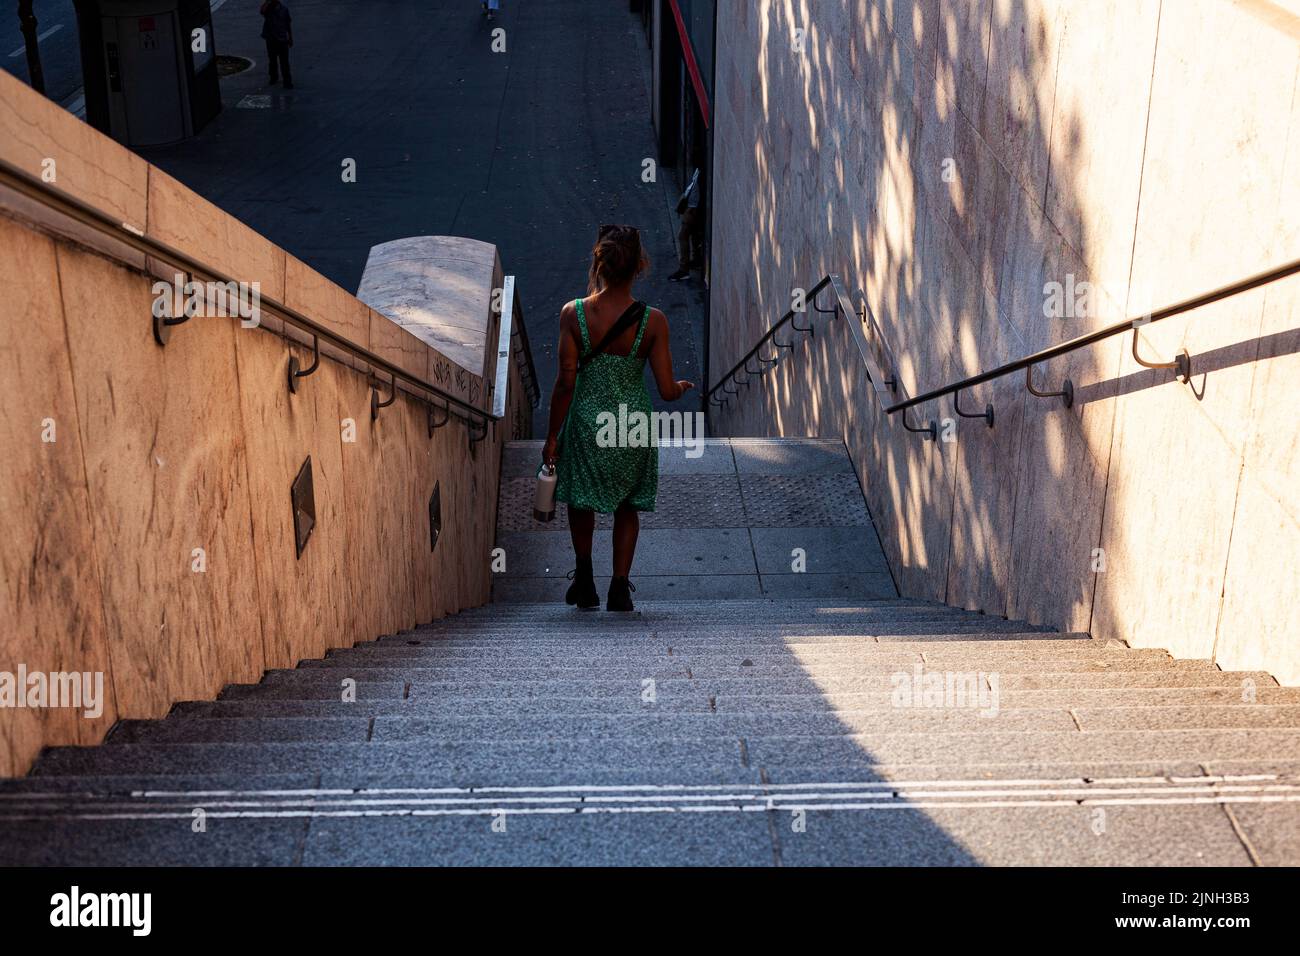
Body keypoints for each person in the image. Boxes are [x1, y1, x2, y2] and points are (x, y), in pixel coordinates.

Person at [543, 225, 694, 612]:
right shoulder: (654, 321)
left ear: (599, 262)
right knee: (627, 505)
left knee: (581, 500)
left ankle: (585, 582)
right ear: (640, 267)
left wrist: (552, 435)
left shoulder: (573, 314)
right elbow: (664, 390)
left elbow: (564, 383)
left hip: (588, 422)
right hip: (632, 424)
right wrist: (680, 386)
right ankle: (620, 588)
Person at [668, 155, 704, 281]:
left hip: (693, 209)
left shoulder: (702, 173)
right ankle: (696, 259)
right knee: (692, 235)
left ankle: (684, 269)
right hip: (692, 207)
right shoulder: (699, 170)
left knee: (682, 235)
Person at [260, 0, 293, 89]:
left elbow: (288, 24)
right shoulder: (268, 9)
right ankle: (274, 77)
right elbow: (262, 11)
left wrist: (290, 37)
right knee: (273, 60)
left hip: (281, 39)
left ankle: (287, 81)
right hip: (271, 39)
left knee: (284, 62)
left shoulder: (284, 9)